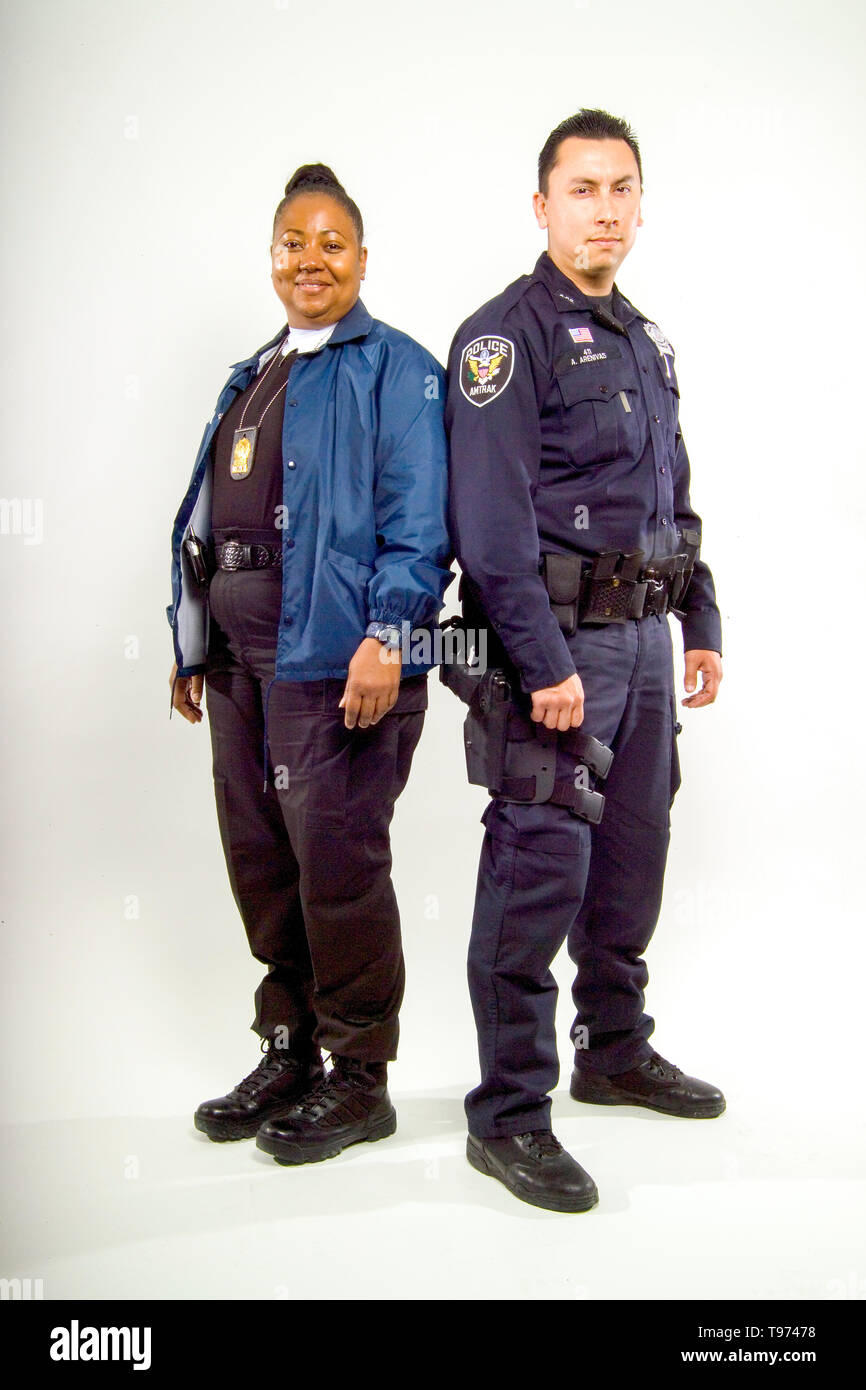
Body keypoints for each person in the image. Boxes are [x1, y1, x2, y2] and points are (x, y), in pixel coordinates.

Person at [444, 109, 725, 1214]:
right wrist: (539, 658)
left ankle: (613, 1047)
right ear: (541, 206)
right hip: (556, 651)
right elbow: (490, 524)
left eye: (620, 189)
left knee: (631, 857)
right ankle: (507, 1115)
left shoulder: (646, 340)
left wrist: (698, 618)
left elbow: (672, 498)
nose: (603, 208)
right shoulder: (499, 340)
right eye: (581, 189)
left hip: (644, 647)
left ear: (639, 204)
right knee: (535, 867)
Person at [167, 164, 451, 1166]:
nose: (310, 258)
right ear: (272, 257)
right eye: (293, 241)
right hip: (242, 657)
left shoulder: (399, 369)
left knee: (335, 862)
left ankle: (359, 1077)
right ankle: (287, 1050)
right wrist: (189, 640)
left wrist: (388, 633)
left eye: (331, 242)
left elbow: (421, 526)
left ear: (361, 259)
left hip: (335, 656)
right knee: (261, 857)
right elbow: (213, 524)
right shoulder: (253, 373)